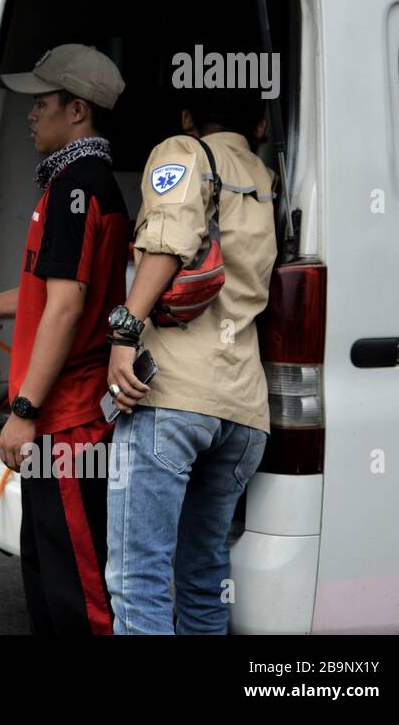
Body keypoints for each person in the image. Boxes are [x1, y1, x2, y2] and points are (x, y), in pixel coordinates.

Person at [0, 43, 130, 634]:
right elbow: (48, 296)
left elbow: (66, 310)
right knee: (46, 572)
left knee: (80, 588)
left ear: (77, 110)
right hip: (56, 417)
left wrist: (23, 411)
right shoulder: (77, 182)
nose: (30, 114)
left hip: (66, 420)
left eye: (41, 103)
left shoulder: (77, 187)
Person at [104, 93, 274, 635]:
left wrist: (124, 333)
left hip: (172, 401)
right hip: (244, 410)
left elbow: (168, 243)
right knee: (203, 578)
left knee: (140, 582)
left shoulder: (184, 151)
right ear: (262, 122)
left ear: (186, 116)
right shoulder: (272, 179)